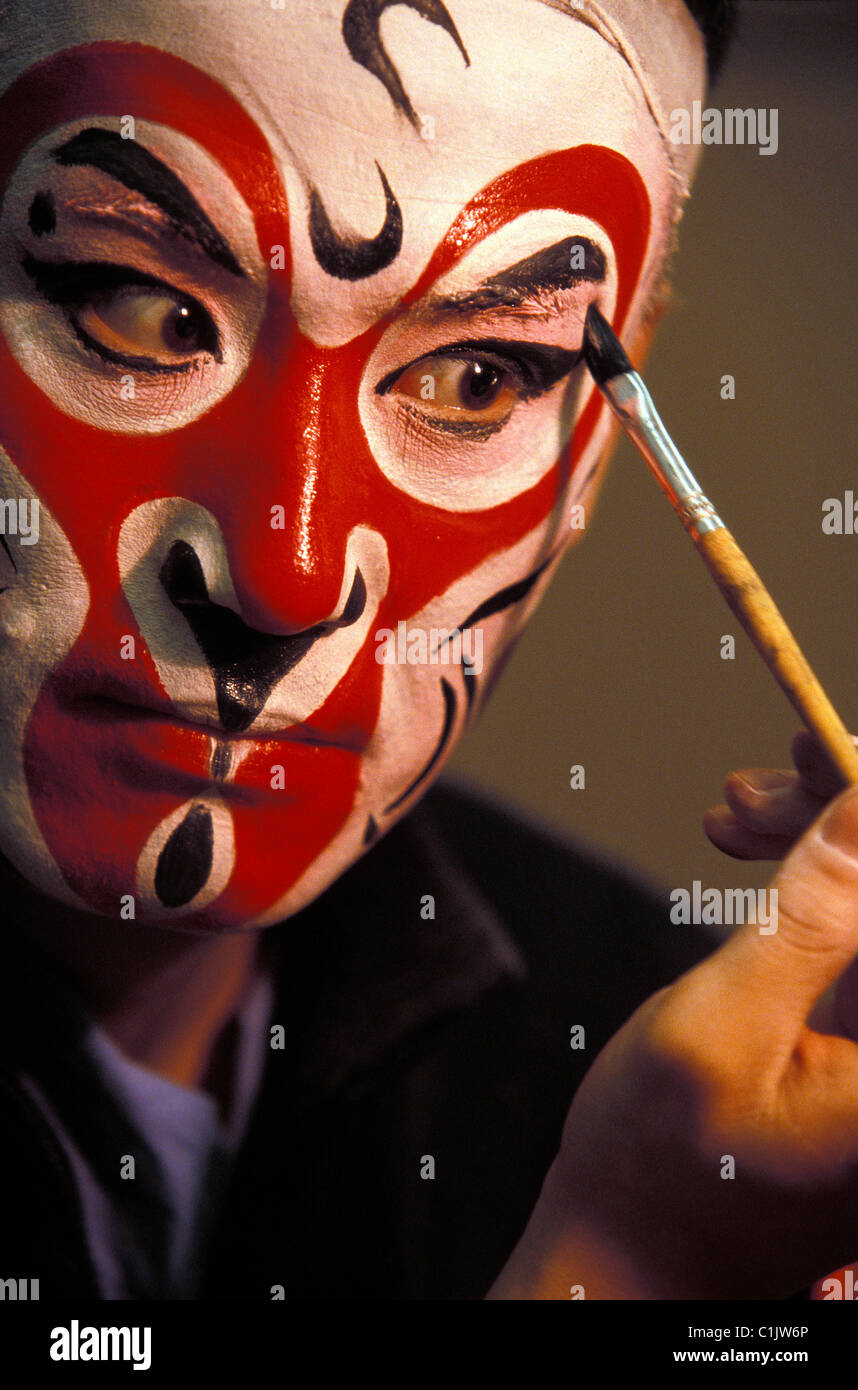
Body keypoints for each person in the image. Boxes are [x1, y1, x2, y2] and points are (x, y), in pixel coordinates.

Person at [0, 0, 855, 1302]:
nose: (285, 582)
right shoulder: (663, 1164)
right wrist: (619, 1267)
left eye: (477, 378)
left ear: (604, 436)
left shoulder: (643, 1034)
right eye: (141, 310)